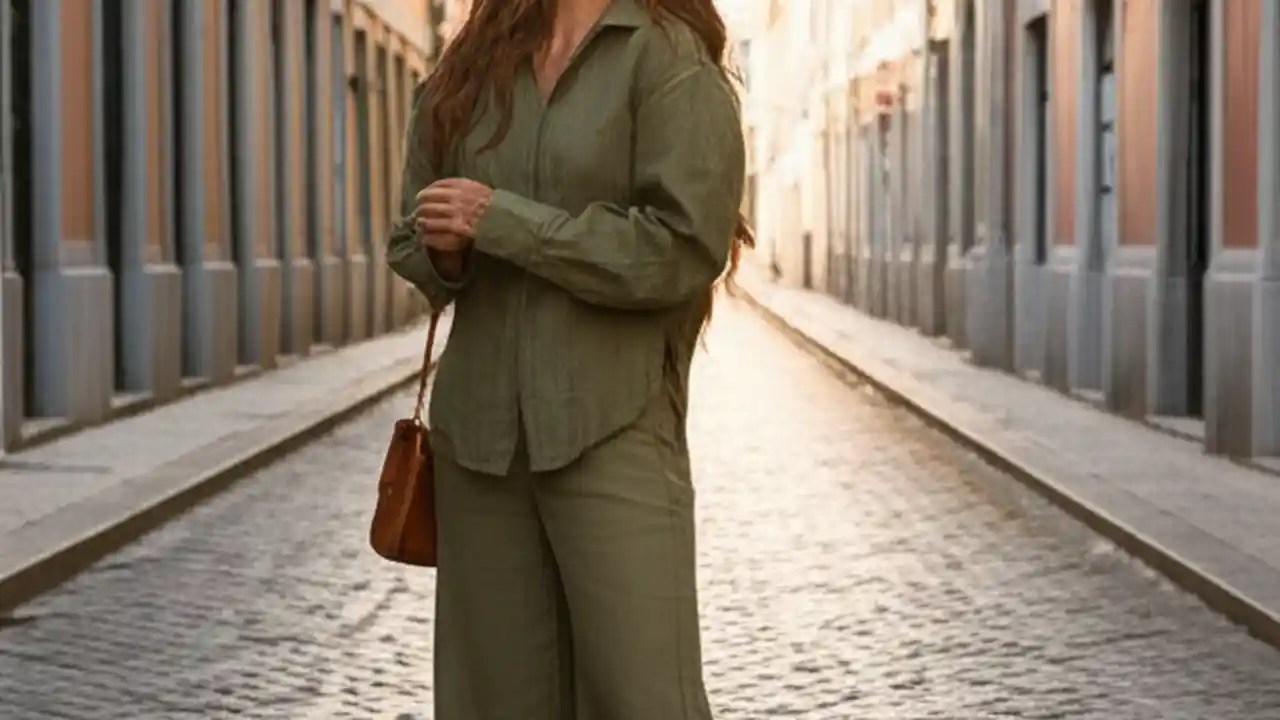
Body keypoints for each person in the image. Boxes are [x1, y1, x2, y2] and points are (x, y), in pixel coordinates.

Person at [386, 0, 749, 716]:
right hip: (479, 443)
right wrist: (444, 247)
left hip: (612, 427)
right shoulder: (470, 64)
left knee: (645, 698)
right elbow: (410, 239)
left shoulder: (667, 59)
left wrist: (504, 223)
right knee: (490, 700)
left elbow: (682, 250)